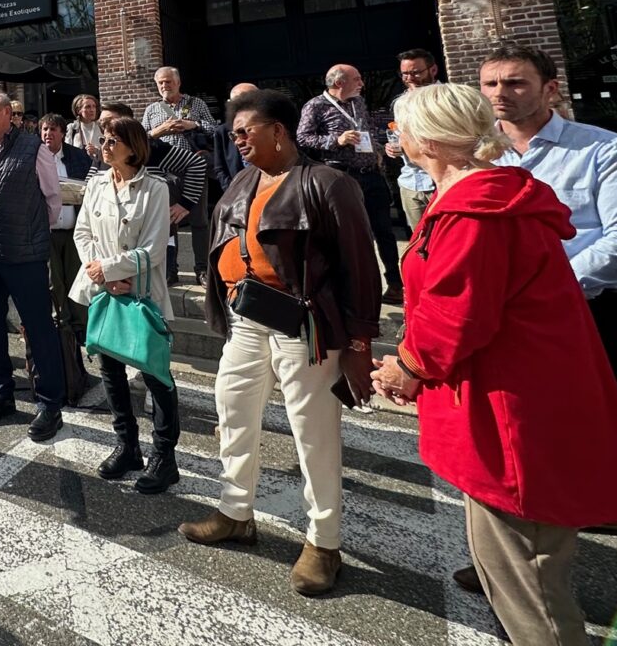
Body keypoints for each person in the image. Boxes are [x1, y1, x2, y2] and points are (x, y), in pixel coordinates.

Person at [372, 83, 617, 645]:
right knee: (522, 565)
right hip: (513, 394)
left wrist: (404, 365)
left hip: (507, 408)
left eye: (398, 127)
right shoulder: (484, 198)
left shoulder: (476, 211)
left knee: (527, 581)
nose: (395, 138)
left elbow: (456, 316)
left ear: (428, 138)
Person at [180, 89, 379, 597]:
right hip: (246, 321)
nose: (238, 139)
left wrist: (358, 343)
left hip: (303, 327)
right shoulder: (244, 180)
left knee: (313, 433)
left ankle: (324, 542)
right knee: (232, 412)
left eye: (247, 130)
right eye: (235, 132)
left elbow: (360, 268)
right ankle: (234, 512)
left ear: (279, 131)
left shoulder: (329, 184)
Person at [479, 43, 617, 570]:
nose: (501, 95)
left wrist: (549, 288)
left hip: (603, 312)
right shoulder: (482, 156)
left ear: (550, 88)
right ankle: (517, 563)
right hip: (517, 320)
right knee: (531, 439)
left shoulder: (603, 150)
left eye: (515, 83)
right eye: (491, 84)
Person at [71, 114, 181, 493]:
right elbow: (82, 231)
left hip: (141, 293)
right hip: (103, 290)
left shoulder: (155, 189)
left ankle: (165, 456)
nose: (105, 145)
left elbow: (152, 247)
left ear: (134, 148)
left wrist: (114, 269)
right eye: (103, 139)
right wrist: (98, 270)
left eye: (113, 140)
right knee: (110, 370)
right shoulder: (97, 184)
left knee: (155, 372)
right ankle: (127, 446)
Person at [0, 90, 66, 441]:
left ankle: (50, 403)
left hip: (25, 254)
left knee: (39, 329)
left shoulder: (32, 148)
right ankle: (2, 393)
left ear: (9, 114)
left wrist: (33, 231)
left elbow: (52, 199)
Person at [296, 64, 403, 304]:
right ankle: (354, 287)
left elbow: (367, 131)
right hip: (342, 176)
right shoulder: (315, 106)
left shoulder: (359, 103)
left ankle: (395, 284)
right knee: (349, 234)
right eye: (357, 79)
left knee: (384, 231)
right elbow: (303, 138)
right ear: (338, 83)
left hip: (371, 174)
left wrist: (378, 150)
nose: (362, 83)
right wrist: (337, 139)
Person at [142, 66, 219, 284]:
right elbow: (141, 138)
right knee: (167, 222)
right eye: (161, 83)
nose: (165, 86)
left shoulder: (196, 104)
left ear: (178, 82)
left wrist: (192, 124)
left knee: (200, 222)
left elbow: (215, 129)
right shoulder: (151, 110)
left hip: (194, 170)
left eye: (168, 81)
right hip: (164, 174)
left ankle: (203, 270)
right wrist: (159, 131)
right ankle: (170, 270)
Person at [39, 113, 93, 344]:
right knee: (54, 281)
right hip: (47, 230)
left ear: (62, 133)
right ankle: (61, 322)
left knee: (76, 278)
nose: (48, 134)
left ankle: (80, 325)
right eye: (44, 130)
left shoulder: (78, 158)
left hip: (74, 230)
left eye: (52, 129)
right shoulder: (35, 159)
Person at [385, 49, 439, 230]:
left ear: (433, 70)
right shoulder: (400, 103)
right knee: (419, 241)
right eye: (405, 73)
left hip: (440, 180)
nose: (409, 78)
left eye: (416, 72)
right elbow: (401, 137)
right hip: (410, 181)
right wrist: (395, 148)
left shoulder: (448, 99)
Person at [212, 82, 258, 193]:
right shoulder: (222, 132)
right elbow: (220, 168)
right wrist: (231, 191)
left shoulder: (270, 127)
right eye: (237, 102)